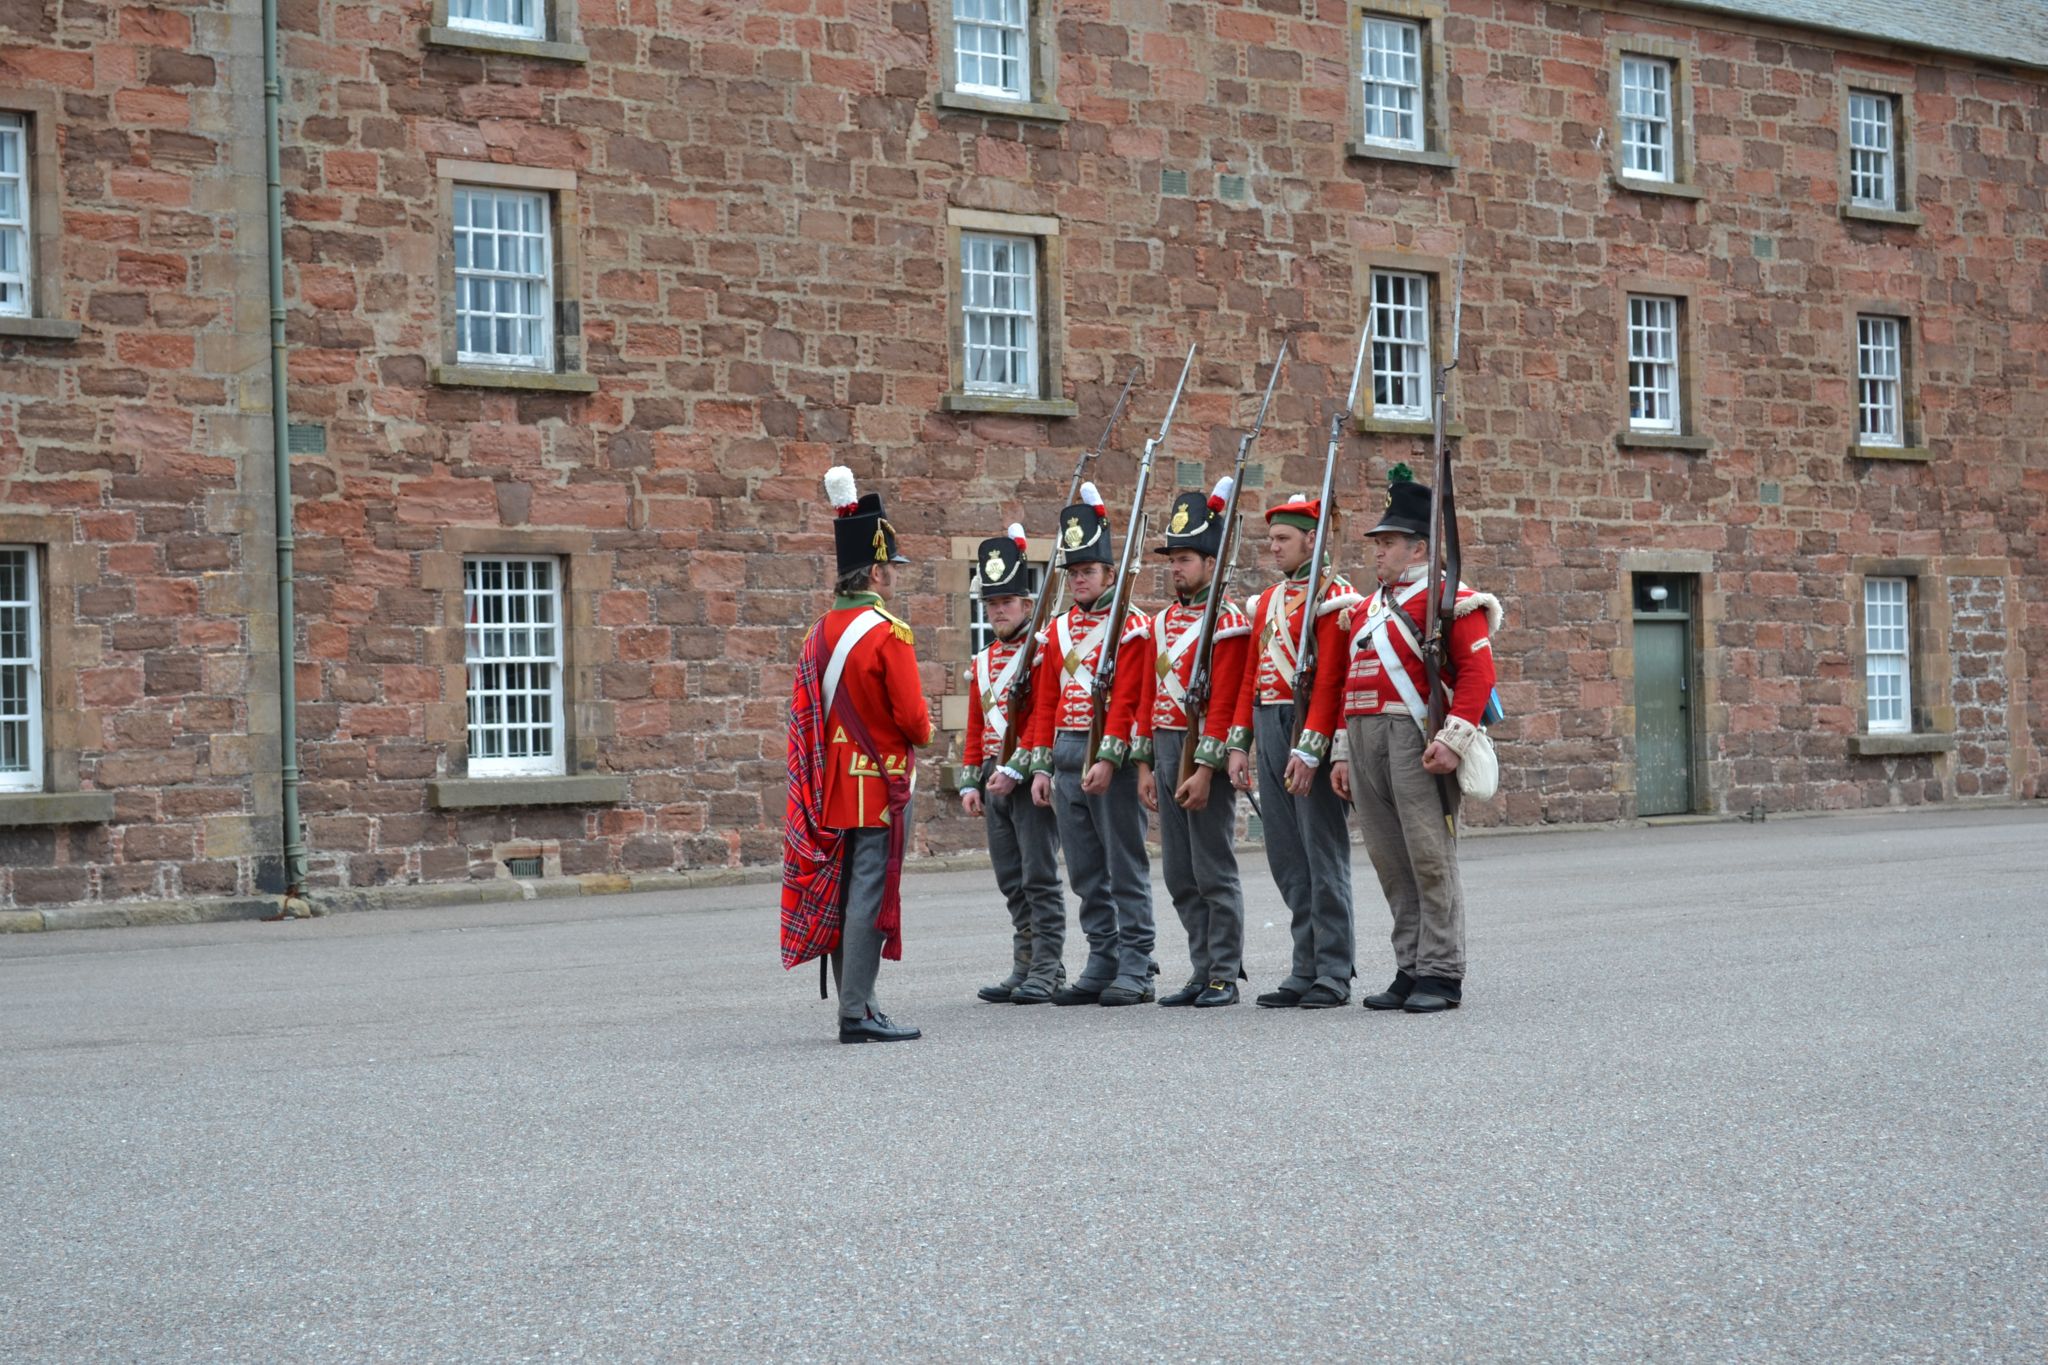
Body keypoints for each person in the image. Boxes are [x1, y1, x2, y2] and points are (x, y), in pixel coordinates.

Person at [1306, 466, 1500, 1014]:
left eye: (1388, 543)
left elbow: (1477, 676)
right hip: (1367, 739)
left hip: (1416, 738)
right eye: (1378, 543)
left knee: (1429, 858)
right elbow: (1350, 683)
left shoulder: (1450, 599)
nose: (1378, 552)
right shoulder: (1366, 610)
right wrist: (1342, 751)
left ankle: (1441, 970)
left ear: (1418, 549)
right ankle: (1409, 965)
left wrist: (1454, 738)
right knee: (1392, 862)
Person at [780, 466, 934, 1044]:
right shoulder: (889, 633)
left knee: (848, 890)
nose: (894, 576)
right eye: (891, 567)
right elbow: (915, 723)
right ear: (873, 571)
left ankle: (859, 1001)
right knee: (869, 888)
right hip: (880, 782)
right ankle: (857, 1012)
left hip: (832, 786)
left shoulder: (818, 632)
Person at [1020, 482, 1158, 1007]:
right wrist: (1041, 767)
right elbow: (1045, 707)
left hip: (1111, 758)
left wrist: (1108, 755)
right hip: (1065, 755)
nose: (1079, 580)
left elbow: (1131, 700)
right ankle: (1103, 956)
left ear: (1108, 573)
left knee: (1124, 865)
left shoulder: (1132, 627)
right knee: (1083, 870)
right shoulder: (1057, 630)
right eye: (1073, 572)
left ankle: (1137, 962)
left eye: (1088, 572)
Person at [1225, 493, 1363, 1008]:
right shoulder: (1266, 603)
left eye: (1283, 539)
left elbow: (1331, 680)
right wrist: (1238, 744)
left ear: (1312, 538)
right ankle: (1304, 964)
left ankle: (1333, 968)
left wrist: (1311, 750)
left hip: (1311, 726)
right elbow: (1249, 681)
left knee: (1322, 854)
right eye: (1271, 539)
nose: (1274, 548)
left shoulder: (1336, 597)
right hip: (1268, 721)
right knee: (1286, 855)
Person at [1132, 479, 1253, 1008]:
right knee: (1180, 873)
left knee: (1213, 869)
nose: (1176, 567)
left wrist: (1206, 770)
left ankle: (1225, 971)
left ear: (1210, 562)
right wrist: (1143, 766)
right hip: (1162, 746)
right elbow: (1144, 695)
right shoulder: (1160, 623)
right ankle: (1201, 968)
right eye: (1172, 558)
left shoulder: (1226, 622)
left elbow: (1224, 703)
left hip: (1201, 751)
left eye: (1185, 558)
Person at [959, 525, 1067, 1005]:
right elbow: (975, 728)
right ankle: (1025, 964)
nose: (998, 610)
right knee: (1011, 878)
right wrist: (971, 781)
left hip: (1024, 777)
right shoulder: (983, 661)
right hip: (992, 774)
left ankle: (1049, 966)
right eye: (991, 604)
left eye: (1007, 602)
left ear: (1026, 603)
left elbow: (1046, 717)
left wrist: (1018, 767)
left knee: (1039, 876)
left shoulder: (1041, 653)